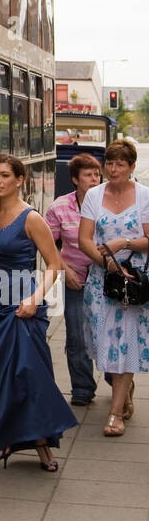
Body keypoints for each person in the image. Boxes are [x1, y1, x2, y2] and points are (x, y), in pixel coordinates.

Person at [0, 154, 77, 471]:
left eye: (5, 175)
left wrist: (34, 299)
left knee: (30, 376)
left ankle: (43, 445)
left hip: (22, 305)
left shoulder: (31, 218)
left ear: (19, 180)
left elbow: (54, 265)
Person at [78, 139, 149, 437]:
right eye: (109, 163)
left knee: (127, 344)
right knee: (105, 347)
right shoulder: (94, 195)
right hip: (101, 283)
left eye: (120, 164)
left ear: (132, 167)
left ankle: (114, 413)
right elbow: (84, 238)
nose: (113, 168)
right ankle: (125, 389)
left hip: (133, 284)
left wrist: (125, 243)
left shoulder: (144, 196)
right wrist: (105, 263)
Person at [45, 153, 102, 404]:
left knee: (107, 334)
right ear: (75, 179)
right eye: (88, 175)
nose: (94, 179)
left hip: (106, 281)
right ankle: (82, 388)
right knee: (77, 335)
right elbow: (47, 244)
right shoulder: (60, 207)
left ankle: (116, 378)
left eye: (97, 174)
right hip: (75, 279)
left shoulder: (108, 204)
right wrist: (64, 269)